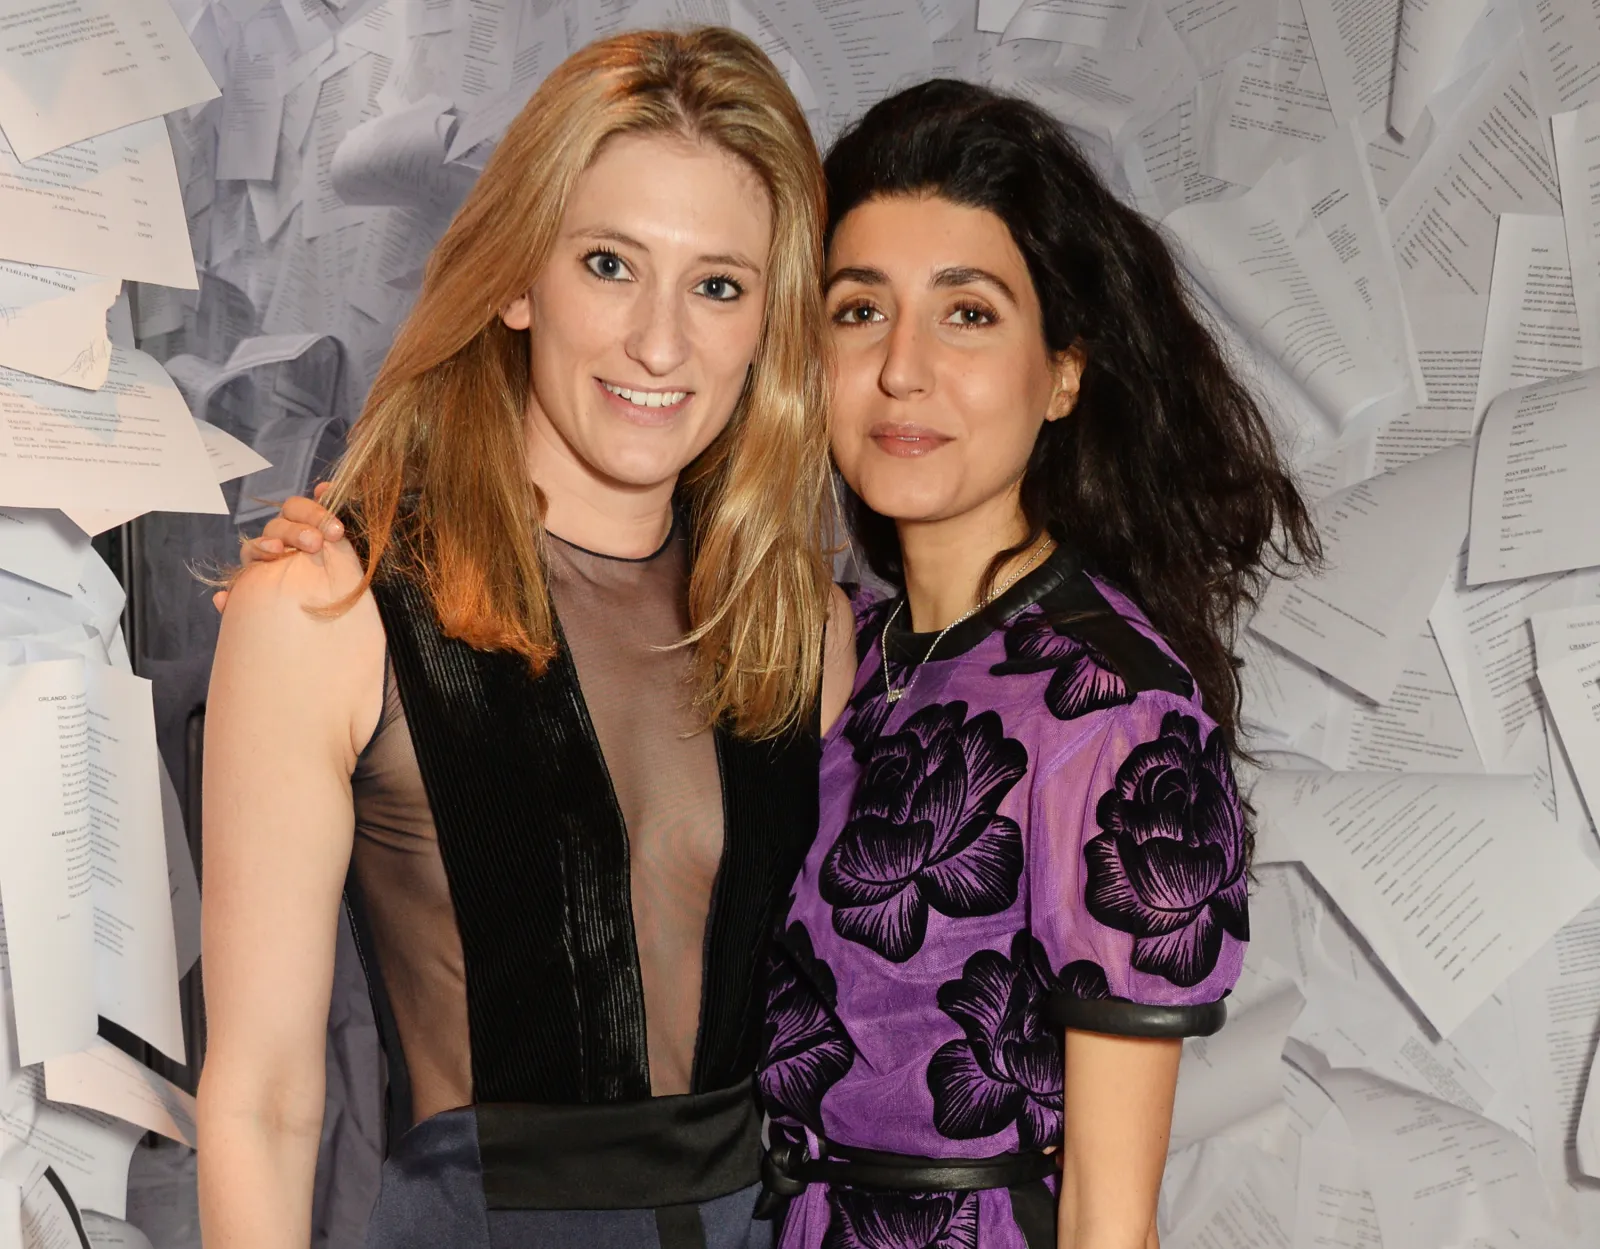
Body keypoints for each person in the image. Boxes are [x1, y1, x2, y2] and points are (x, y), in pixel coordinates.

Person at [232, 75, 1317, 1249]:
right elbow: (268, 1096)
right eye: (860, 310)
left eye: (967, 313)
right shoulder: (839, 644)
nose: (902, 369)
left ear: (1063, 369)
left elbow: (1110, 1216)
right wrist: (336, 562)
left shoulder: (1067, 697)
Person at [198, 28, 855, 1249]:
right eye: (609, 264)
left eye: (717, 285)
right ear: (516, 282)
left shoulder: (798, 627)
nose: (660, 343)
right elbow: (263, 1103)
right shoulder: (327, 606)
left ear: (768, 325)